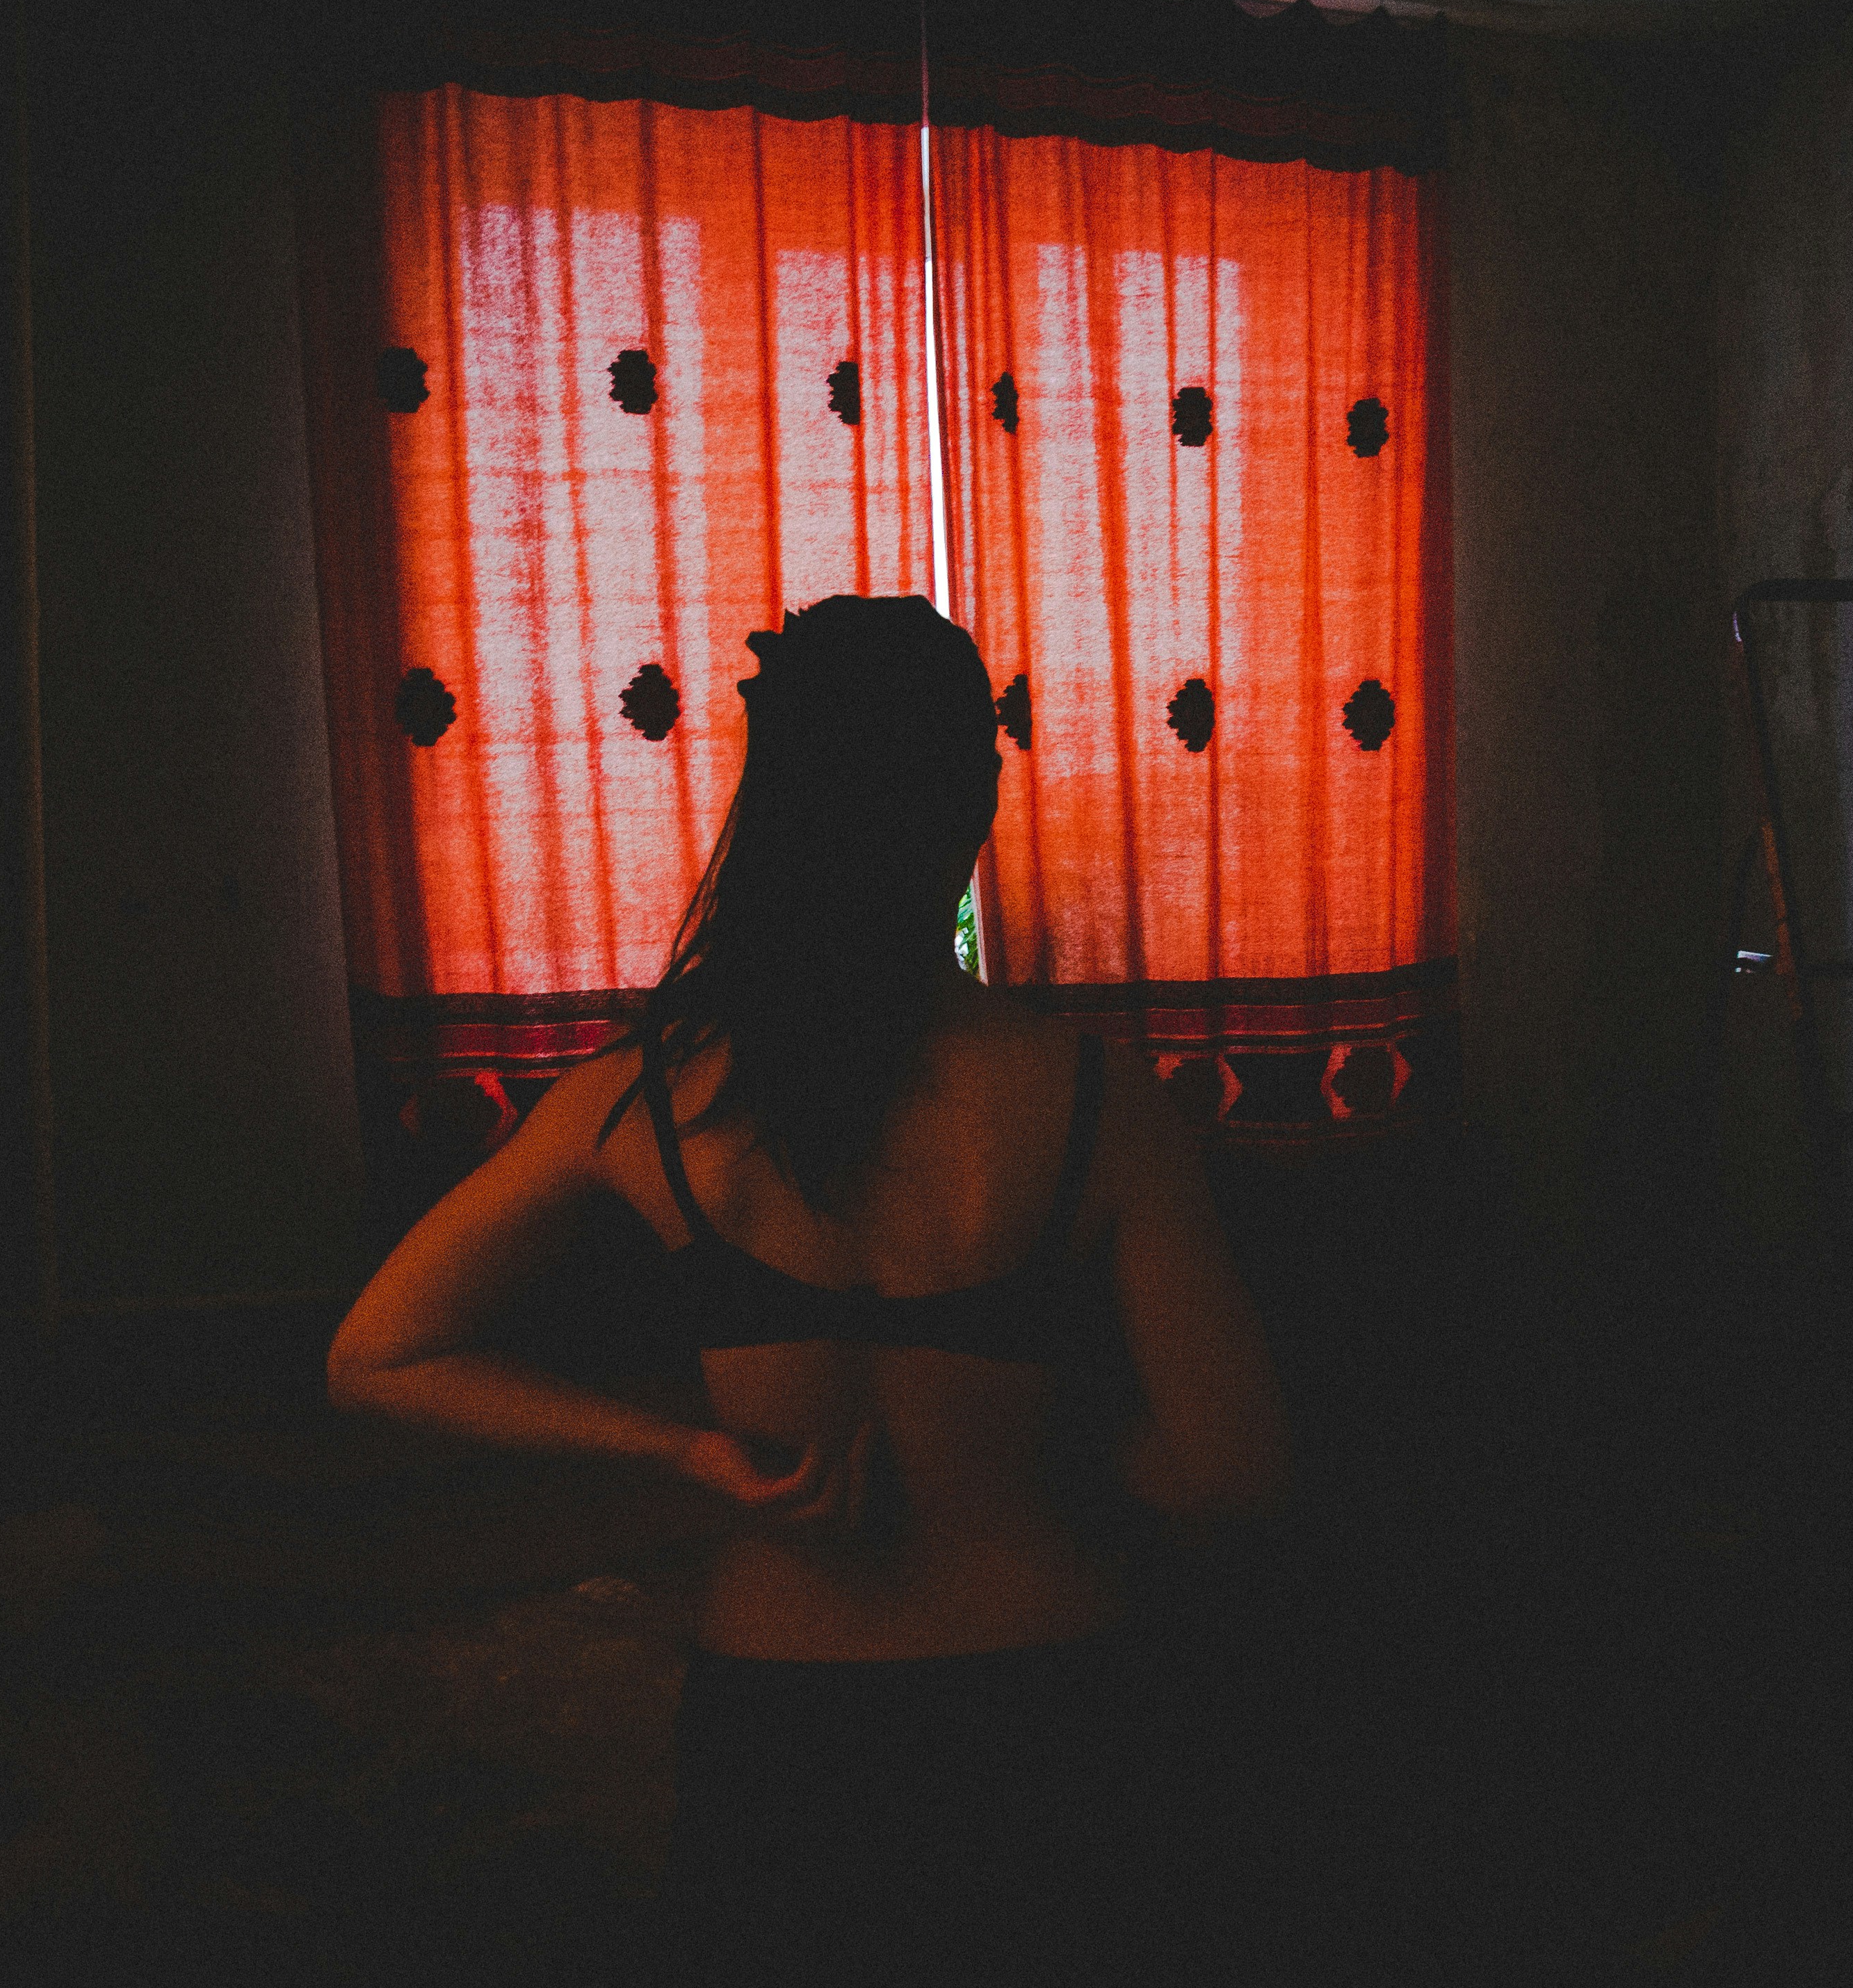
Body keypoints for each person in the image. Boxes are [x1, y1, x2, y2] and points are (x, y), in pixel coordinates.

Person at [325, 594, 1290, 1985]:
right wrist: (1030, 1446)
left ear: (770, 799)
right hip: (1048, 1681)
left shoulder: (646, 1100)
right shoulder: (1095, 1099)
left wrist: (683, 1450)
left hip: (783, 1712)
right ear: (977, 799)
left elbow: (378, 1355)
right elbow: (1234, 1472)